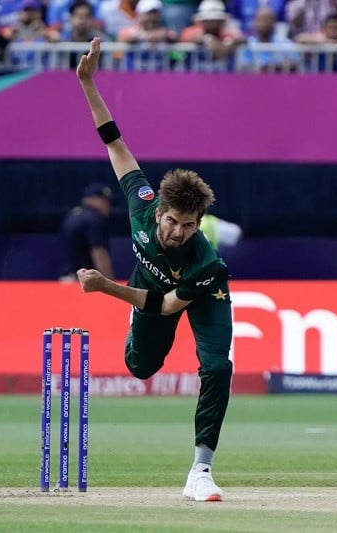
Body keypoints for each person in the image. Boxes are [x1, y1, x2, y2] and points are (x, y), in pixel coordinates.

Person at [75, 37, 233, 502]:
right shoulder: (141, 202)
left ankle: (201, 470)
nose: (178, 232)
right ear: (159, 209)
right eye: (173, 221)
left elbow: (166, 307)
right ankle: (135, 335)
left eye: (189, 225)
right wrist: (87, 82)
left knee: (217, 367)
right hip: (147, 285)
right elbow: (114, 141)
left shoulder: (207, 262)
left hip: (194, 295)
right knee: (141, 367)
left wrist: (106, 287)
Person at [59, 182, 116, 282]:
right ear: (93, 199)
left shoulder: (72, 215)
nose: (108, 206)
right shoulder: (93, 219)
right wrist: (110, 283)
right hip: (85, 281)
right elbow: (99, 253)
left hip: (68, 278)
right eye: (105, 201)